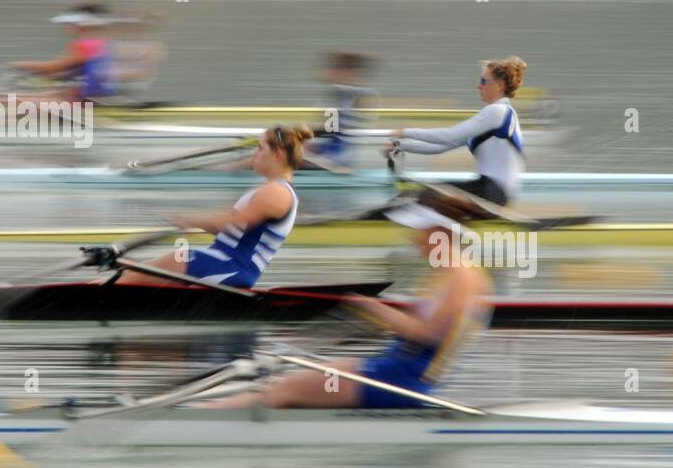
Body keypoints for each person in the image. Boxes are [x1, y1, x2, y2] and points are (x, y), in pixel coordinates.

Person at [197, 201, 493, 410]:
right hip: (393, 367)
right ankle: (211, 413)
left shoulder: (462, 277)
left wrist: (371, 307)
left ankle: (196, 422)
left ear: (440, 233)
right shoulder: (446, 273)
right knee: (289, 385)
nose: (415, 240)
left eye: (421, 232)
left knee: (284, 390)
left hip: (405, 380)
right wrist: (373, 313)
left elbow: (428, 334)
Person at [112, 124, 313, 289]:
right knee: (131, 270)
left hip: (231, 265)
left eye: (260, 148)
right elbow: (231, 225)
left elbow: (233, 224)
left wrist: (190, 220)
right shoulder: (268, 189)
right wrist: (194, 222)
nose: (255, 153)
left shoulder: (277, 193)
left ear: (277, 154)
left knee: (146, 270)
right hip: (221, 260)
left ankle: (91, 297)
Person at [387, 56, 527, 208]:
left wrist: (406, 132)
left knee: (424, 195)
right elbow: (441, 146)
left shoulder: (498, 111)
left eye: (483, 81)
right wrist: (401, 146)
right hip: (489, 189)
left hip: (494, 191)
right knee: (423, 193)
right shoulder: (493, 115)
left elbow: (449, 135)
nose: (478, 86)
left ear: (499, 85)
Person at [9, 4, 117, 102]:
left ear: (83, 25)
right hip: (95, 92)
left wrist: (19, 65)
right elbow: (59, 72)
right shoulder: (101, 42)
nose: (66, 27)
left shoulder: (86, 45)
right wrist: (39, 74)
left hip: (86, 97)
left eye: (70, 24)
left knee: (13, 102)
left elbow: (53, 68)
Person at [305, 51, 378, 169]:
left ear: (346, 73)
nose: (327, 73)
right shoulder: (340, 94)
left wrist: (303, 137)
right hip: (334, 152)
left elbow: (332, 131)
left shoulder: (354, 95)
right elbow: (330, 130)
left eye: (333, 69)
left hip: (339, 159)